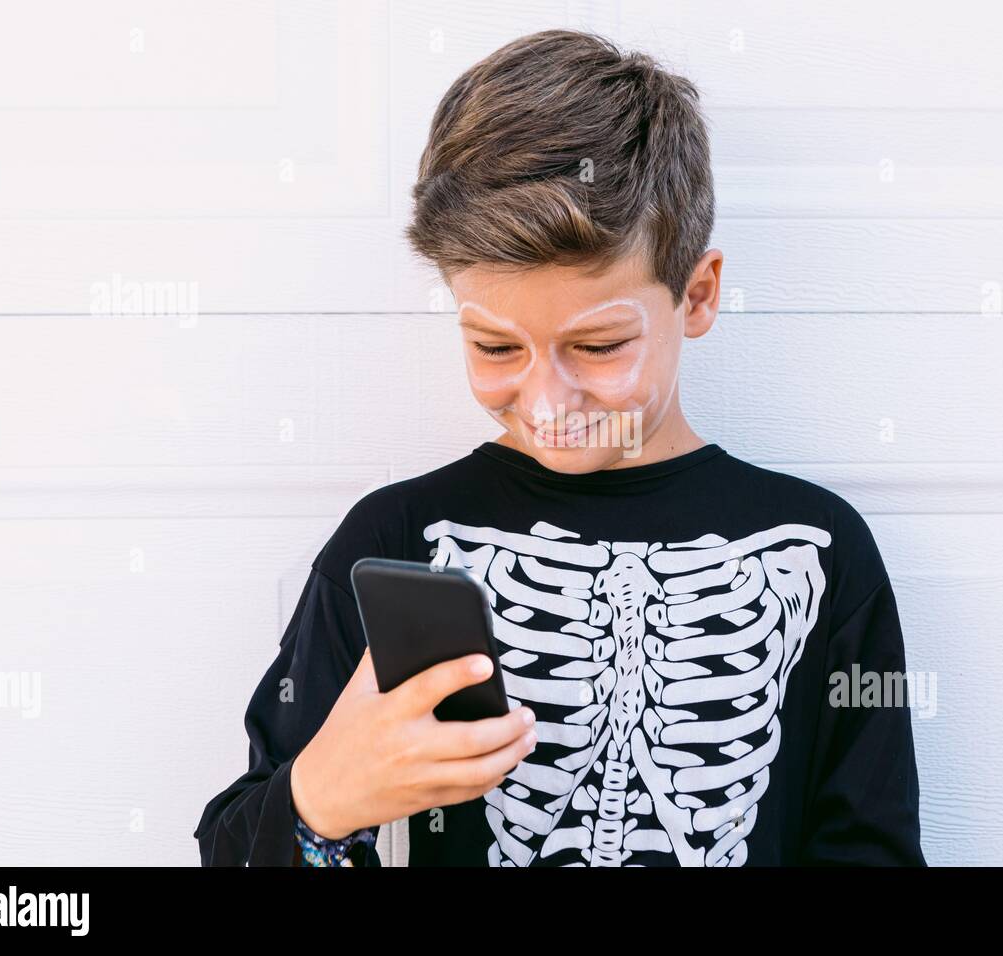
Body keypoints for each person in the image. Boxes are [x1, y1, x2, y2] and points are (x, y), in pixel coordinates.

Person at [194, 28, 926, 867]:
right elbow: (230, 847)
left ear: (698, 293)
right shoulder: (397, 541)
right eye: (497, 348)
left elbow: (875, 850)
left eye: (599, 346)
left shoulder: (821, 552)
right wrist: (322, 799)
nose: (545, 402)